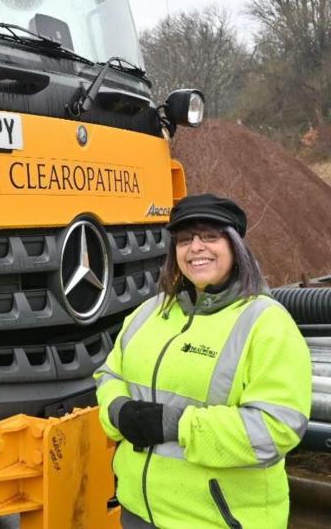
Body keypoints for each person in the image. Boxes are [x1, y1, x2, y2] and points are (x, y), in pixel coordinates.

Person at [94, 194, 312, 529]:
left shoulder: (266, 323)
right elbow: (109, 374)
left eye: (210, 236)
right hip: (138, 512)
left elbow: (276, 429)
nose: (196, 247)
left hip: (219, 520)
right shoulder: (149, 313)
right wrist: (118, 411)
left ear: (236, 246)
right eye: (185, 239)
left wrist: (177, 425)